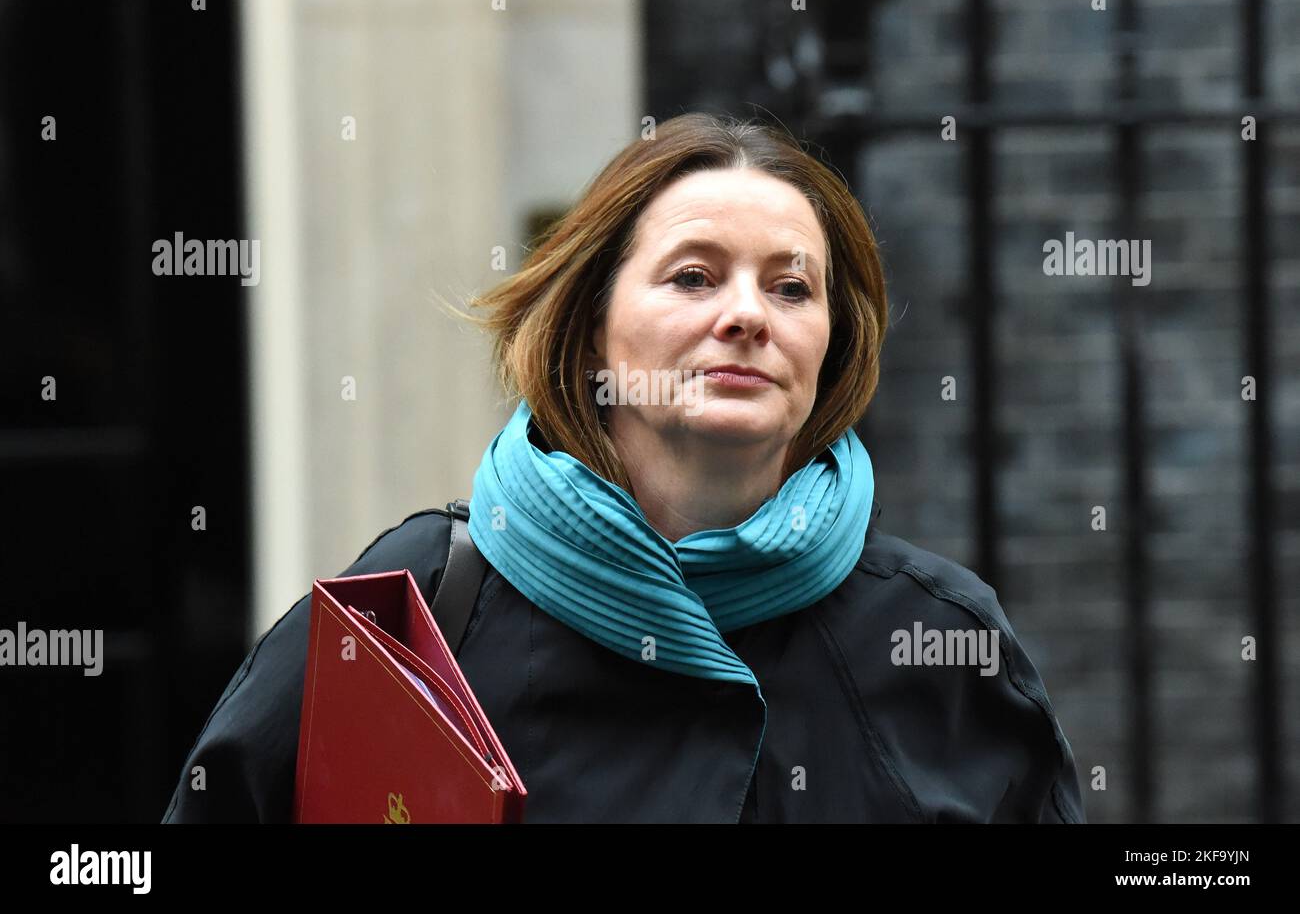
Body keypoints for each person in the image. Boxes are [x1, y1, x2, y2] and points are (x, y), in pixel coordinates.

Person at [163, 112, 1086, 823]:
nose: (747, 315)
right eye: (693, 276)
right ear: (592, 332)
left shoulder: (939, 637)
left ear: (832, 345)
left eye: (792, 286)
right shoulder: (414, 607)